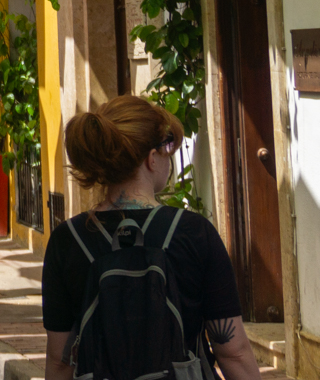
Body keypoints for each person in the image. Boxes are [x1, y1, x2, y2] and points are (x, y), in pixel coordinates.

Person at [43, 96, 260, 380]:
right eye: (167, 148)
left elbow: (59, 360)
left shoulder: (67, 240)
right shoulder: (194, 232)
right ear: (151, 157)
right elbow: (233, 352)